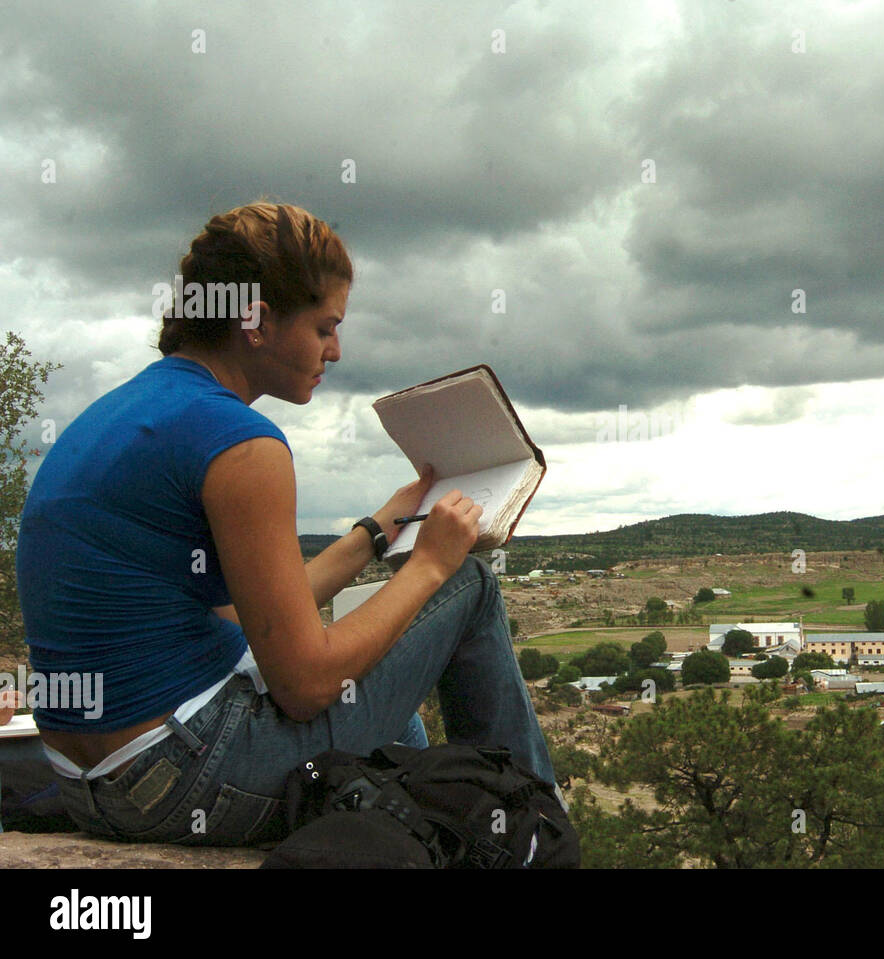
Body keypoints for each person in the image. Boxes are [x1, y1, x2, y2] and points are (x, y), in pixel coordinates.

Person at [14, 200, 558, 846]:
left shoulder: (125, 416)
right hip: (185, 776)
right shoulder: (243, 443)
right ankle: (539, 833)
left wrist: (377, 530)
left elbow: (251, 618)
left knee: (398, 720)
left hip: (94, 783)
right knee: (471, 587)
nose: (336, 348)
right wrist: (434, 564)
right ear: (256, 320)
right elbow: (305, 683)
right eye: (325, 326)